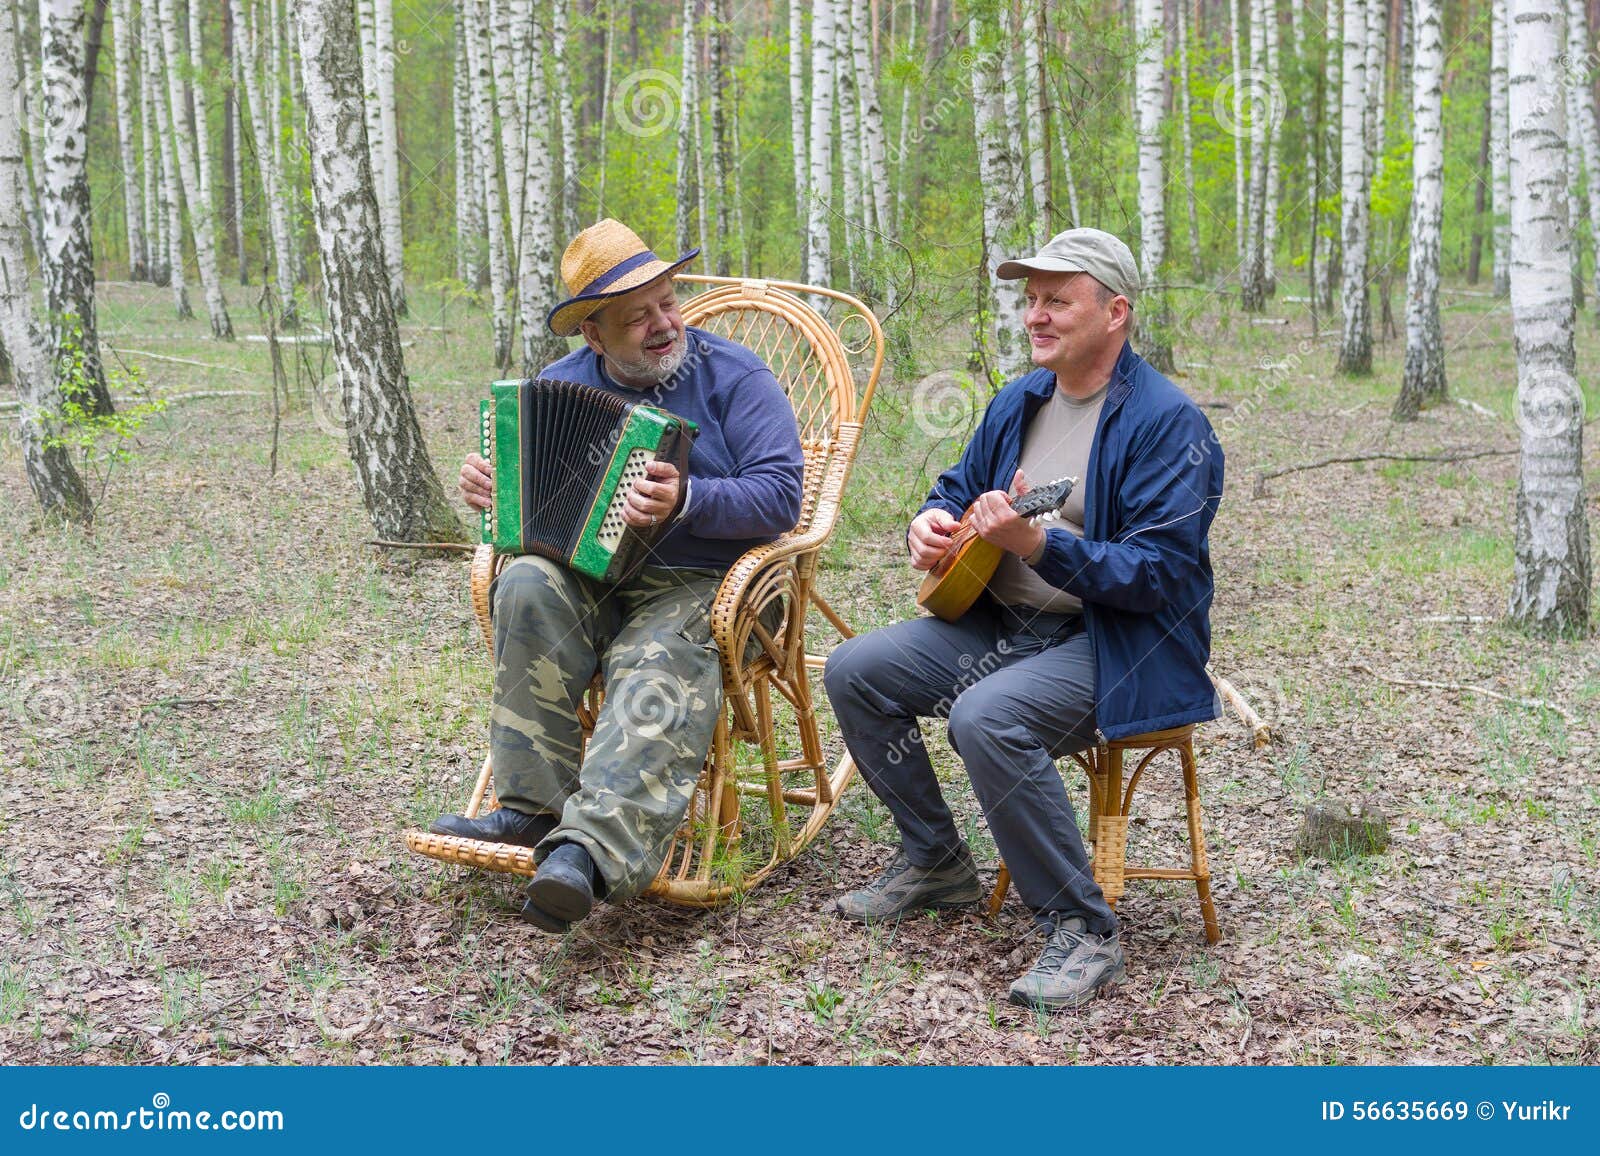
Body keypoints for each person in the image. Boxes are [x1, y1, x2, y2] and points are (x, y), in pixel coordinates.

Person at [822, 228, 1225, 1011]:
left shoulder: (1170, 425)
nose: (1036, 316)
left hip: (1113, 643)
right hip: (995, 625)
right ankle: (935, 862)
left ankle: (1081, 925)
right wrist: (932, 523)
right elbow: (956, 486)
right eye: (1031, 299)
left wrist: (1039, 546)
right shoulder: (1021, 399)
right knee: (854, 670)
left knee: (988, 717)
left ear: (1116, 312)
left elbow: (1161, 575)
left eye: (1057, 300)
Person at [432, 219, 804, 933]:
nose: (665, 324)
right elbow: (524, 507)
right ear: (595, 337)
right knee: (527, 585)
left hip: (710, 582)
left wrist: (690, 499)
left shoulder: (735, 377)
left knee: (657, 652)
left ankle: (587, 853)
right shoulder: (557, 386)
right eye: (639, 317)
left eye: (668, 302)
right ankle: (529, 811)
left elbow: (783, 497)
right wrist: (491, 483)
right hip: (592, 576)